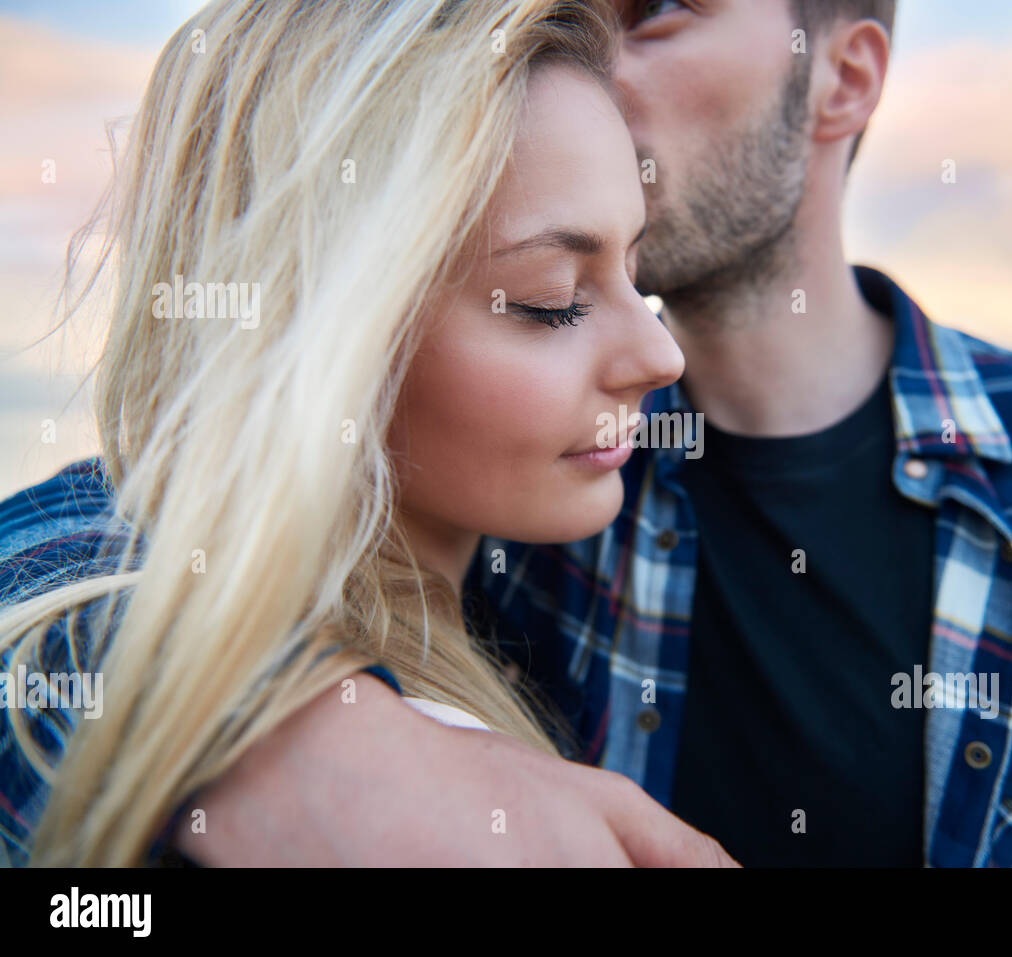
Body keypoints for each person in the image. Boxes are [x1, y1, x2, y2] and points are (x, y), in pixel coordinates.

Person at [472, 0, 1012, 866]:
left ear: (843, 78)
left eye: (658, 13)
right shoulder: (526, 471)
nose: (585, 74)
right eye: (572, 19)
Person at [0, 0, 736, 867]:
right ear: (318, 332)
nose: (658, 352)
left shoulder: (543, 559)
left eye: (633, 265)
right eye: (552, 300)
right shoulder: (366, 798)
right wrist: (263, 735)